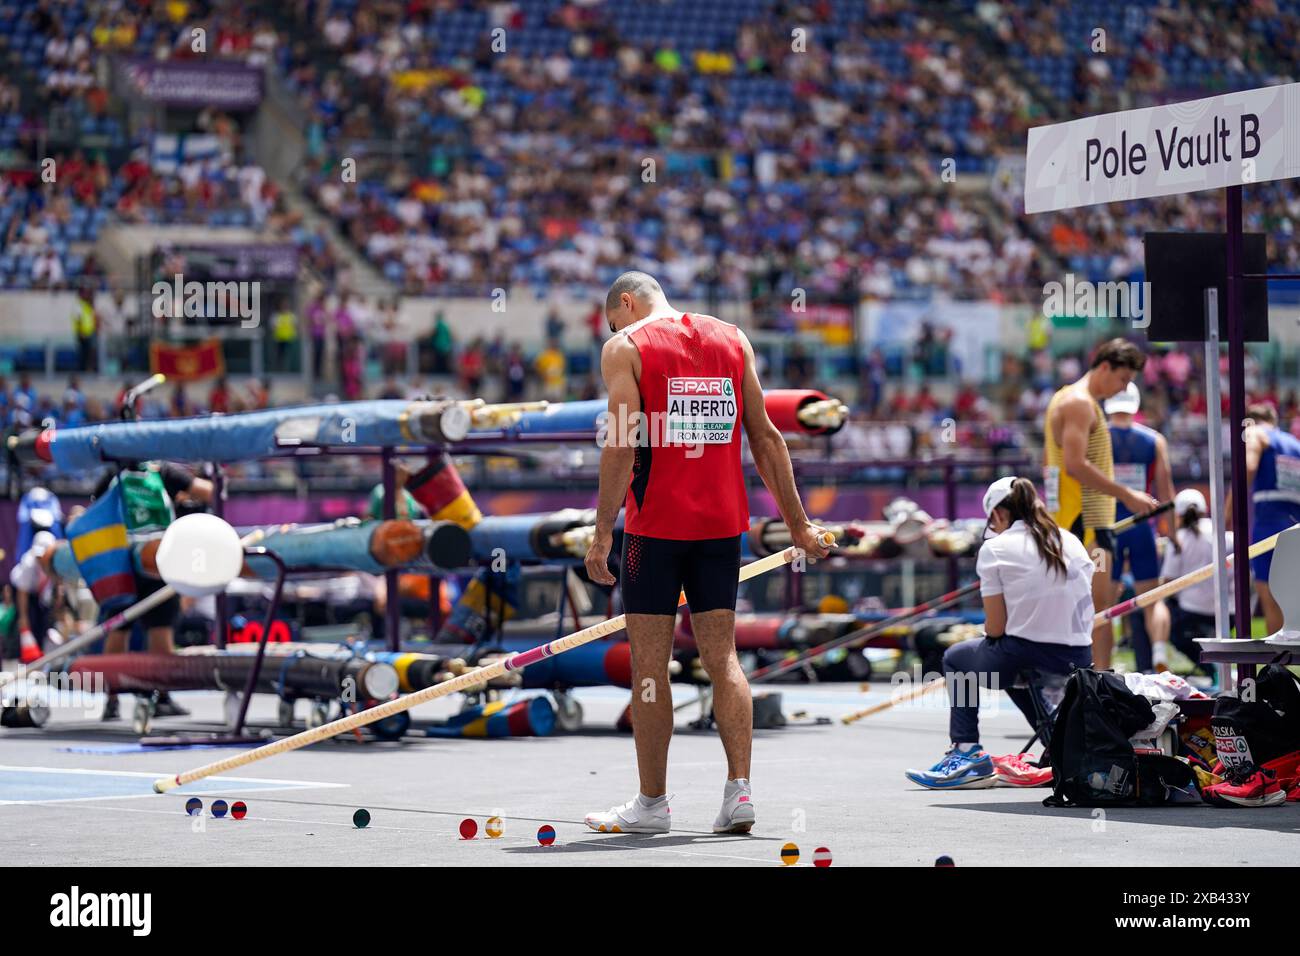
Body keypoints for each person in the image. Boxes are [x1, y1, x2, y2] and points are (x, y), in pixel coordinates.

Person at [582, 271, 830, 835]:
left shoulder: (625, 348)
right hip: (721, 528)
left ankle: (652, 804)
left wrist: (602, 534)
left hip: (655, 532)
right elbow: (765, 437)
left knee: (650, 666)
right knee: (724, 660)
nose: (614, 328)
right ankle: (739, 792)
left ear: (625, 304)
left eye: (614, 318)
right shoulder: (732, 337)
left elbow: (621, 441)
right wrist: (799, 526)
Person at [906, 477, 1094, 790]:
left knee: (957, 658)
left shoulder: (995, 549)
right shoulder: (1070, 541)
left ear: (997, 515)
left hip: (1028, 651)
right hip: (1080, 656)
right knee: (1011, 666)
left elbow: (995, 628)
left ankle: (967, 752)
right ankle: (1058, 746)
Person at [1043, 338, 1156, 670]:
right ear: (1104, 367)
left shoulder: (1065, 399)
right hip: (1087, 523)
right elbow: (1074, 465)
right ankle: (1098, 688)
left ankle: (1088, 685)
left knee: (1091, 612)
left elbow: (1050, 465)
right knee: (1100, 612)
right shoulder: (1079, 403)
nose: (1122, 389)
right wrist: (1127, 494)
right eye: (1122, 379)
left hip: (1078, 520)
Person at [94, 461, 214, 720]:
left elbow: (94, 511)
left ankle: (112, 700)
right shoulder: (164, 473)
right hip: (157, 561)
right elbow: (209, 492)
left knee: (119, 629)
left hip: (121, 562)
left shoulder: (113, 475)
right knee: (160, 631)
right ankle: (161, 696)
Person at [1104, 383, 1174, 671]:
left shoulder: (1098, 438)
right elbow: (1166, 493)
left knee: (1104, 607)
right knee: (1153, 600)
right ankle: (1159, 652)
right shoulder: (1154, 440)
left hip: (1108, 528)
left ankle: (1102, 667)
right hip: (1142, 525)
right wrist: (1173, 534)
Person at [1234, 402, 1300, 634]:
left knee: (1271, 597)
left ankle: (1279, 664)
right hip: (1296, 521)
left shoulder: (1253, 432)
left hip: (1270, 523)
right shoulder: (1294, 443)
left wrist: (1227, 514)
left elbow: (1247, 469)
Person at [1160, 489, 1231, 678]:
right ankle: (1218, 667)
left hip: (1191, 614)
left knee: (1152, 611)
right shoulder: (1226, 536)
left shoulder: (1178, 540)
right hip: (1227, 613)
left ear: (1178, 515)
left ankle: (1153, 662)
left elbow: (1167, 585)